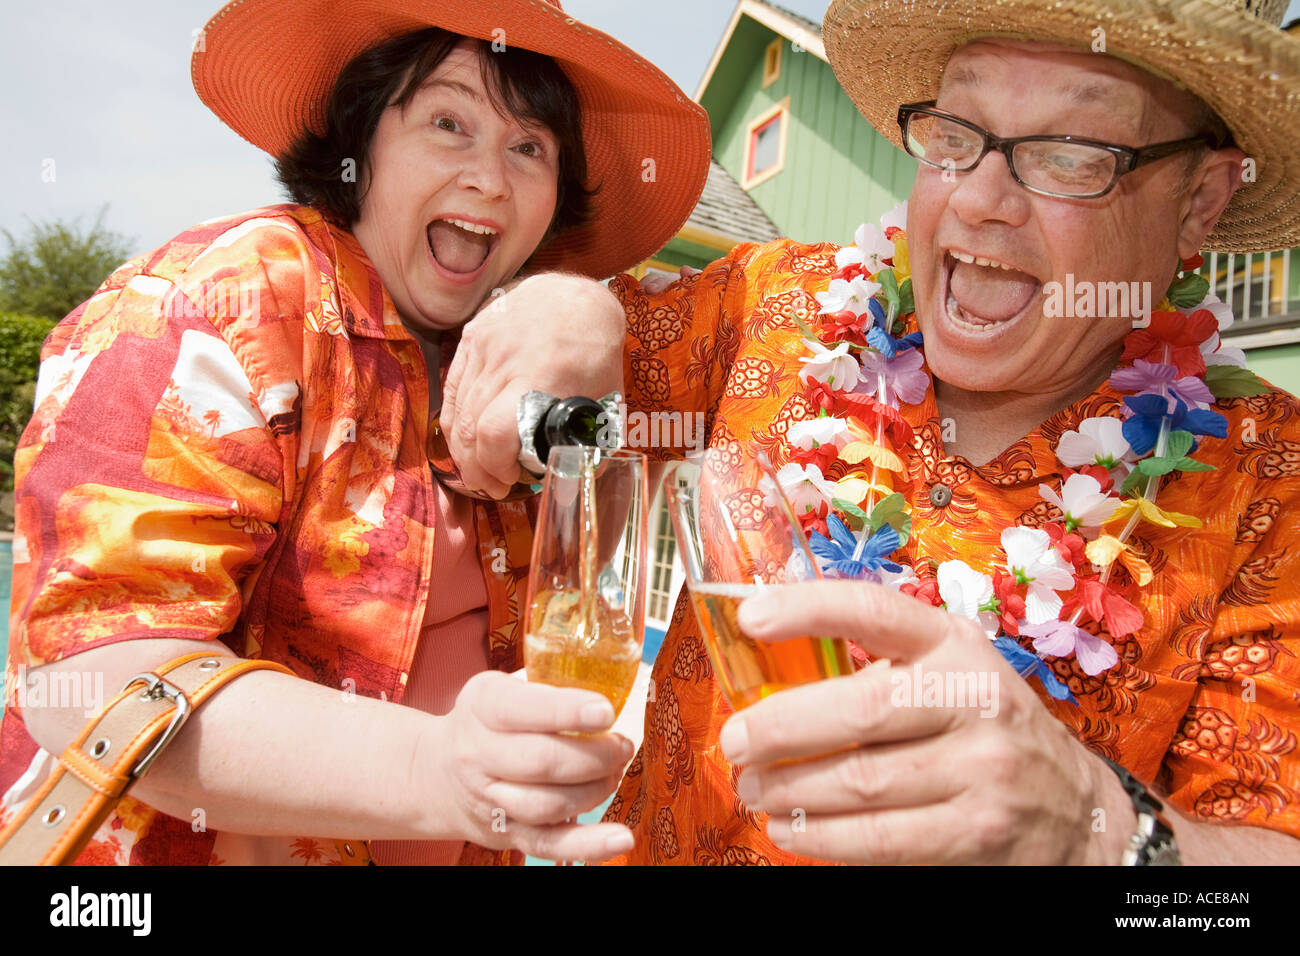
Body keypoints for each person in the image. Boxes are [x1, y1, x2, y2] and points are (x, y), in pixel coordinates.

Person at [579, 0, 1300, 864]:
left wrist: (1091, 830)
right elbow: (523, 386)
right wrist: (563, 311)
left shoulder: (1272, 480)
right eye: (957, 135)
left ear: (1202, 200)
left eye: (1070, 154)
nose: (981, 198)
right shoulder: (775, 305)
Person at [0, 0, 709, 866]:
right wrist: (439, 769)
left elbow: (640, 463)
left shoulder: (530, 360)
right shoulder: (227, 297)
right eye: (449, 122)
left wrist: (587, 307)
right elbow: (93, 685)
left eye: (530, 147)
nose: (491, 177)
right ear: (361, 142)